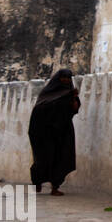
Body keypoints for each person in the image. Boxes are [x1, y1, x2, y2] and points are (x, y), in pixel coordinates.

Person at [29, 68, 80, 196]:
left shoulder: (70, 93)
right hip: (44, 132)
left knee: (61, 158)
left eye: (68, 78)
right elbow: (39, 109)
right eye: (64, 77)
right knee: (43, 158)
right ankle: (37, 181)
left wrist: (73, 97)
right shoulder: (47, 93)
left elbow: (74, 109)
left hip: (62, 131)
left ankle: (55, 187)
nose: (66, 80)